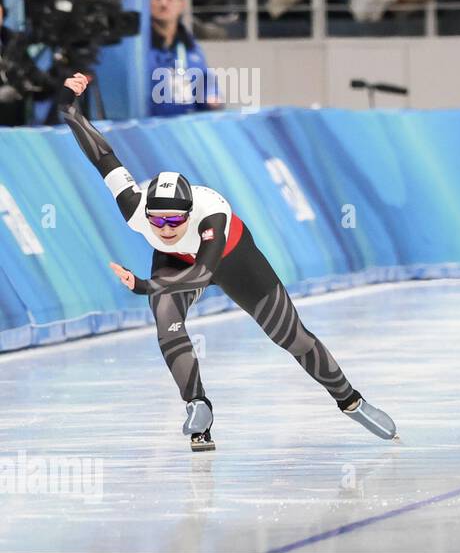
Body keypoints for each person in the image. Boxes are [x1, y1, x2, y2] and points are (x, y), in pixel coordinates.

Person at [58, 72, 398, 452]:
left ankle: (350, 400)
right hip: (176, 261)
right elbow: (103, 156)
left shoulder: (212, 213)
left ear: (190, 213)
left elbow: (202, 273)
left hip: (232, 259)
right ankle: (197, 405)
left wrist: (143, 286)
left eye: (175, 220)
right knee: (166, 320)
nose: (166, 228)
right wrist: (71, 111)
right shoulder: (135, 206)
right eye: (158, 221)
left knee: (291, 337)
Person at [147, 0, 222, 117]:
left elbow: (206, 83)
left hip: (184, 127)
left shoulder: (191, 47)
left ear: (181, 4)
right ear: (148, 3)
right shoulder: (138, 48)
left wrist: (212, 97)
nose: (163, 4)